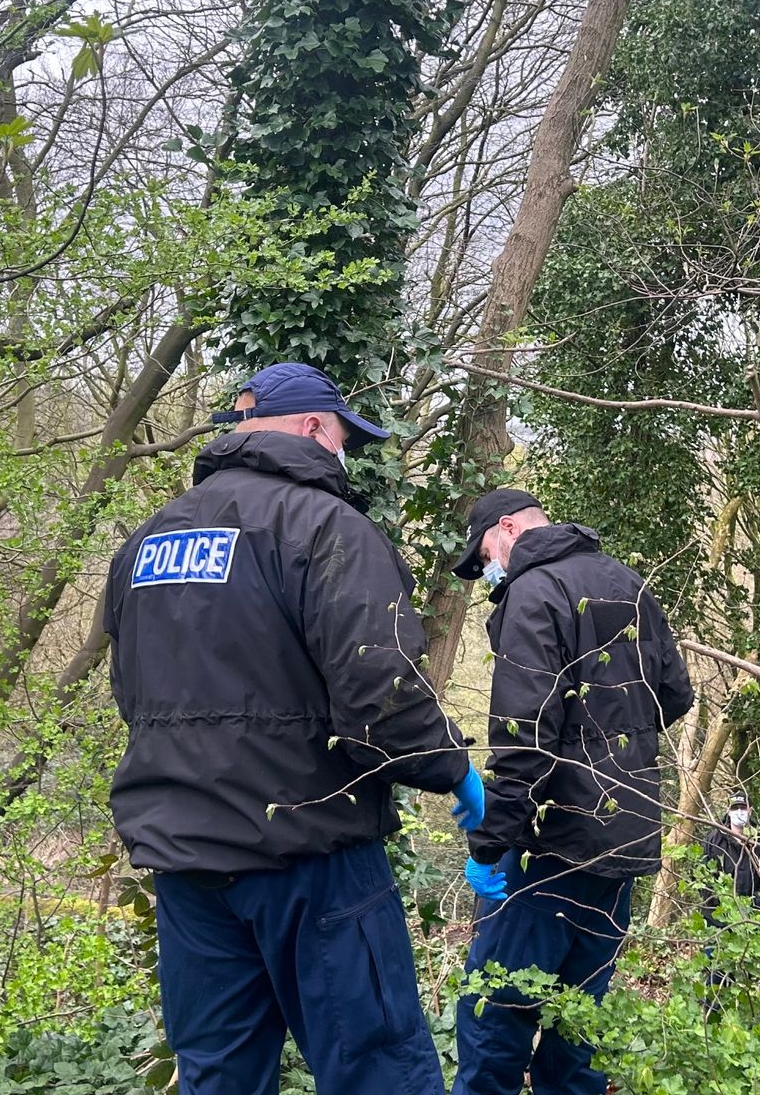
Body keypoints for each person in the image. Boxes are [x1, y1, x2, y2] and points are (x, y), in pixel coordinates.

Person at [105, 362, 480, 1095]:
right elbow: (383, 697)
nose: (346, 453)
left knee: (219, 1075)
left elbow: (133, 698)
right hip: (311, 854)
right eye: (344, 435)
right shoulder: (326, 528)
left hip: (186, 862)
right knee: (379, 1070)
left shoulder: (147, 543)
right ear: (313, 427)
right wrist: (455, 769)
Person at [450, 489, 695, 1095]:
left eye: (483, 557)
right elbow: (675, 695)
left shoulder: (534, 593)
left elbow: (525, 739)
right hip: (625, 837)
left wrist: (487, 845)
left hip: (549, 846)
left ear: (507, 528)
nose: (487, 573)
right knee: (576, 1020)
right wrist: (612, 733)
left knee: (495, 1011)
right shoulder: (628, 582)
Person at [697, 793, 760, 922]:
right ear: (728, 811)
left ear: (750, 811)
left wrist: (751, 905)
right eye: (735, 808)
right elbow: (703, 877)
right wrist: (722, 903)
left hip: (755, 917)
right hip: (718, 917)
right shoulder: (713, 840)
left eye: (743, 808)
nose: (739, 812)